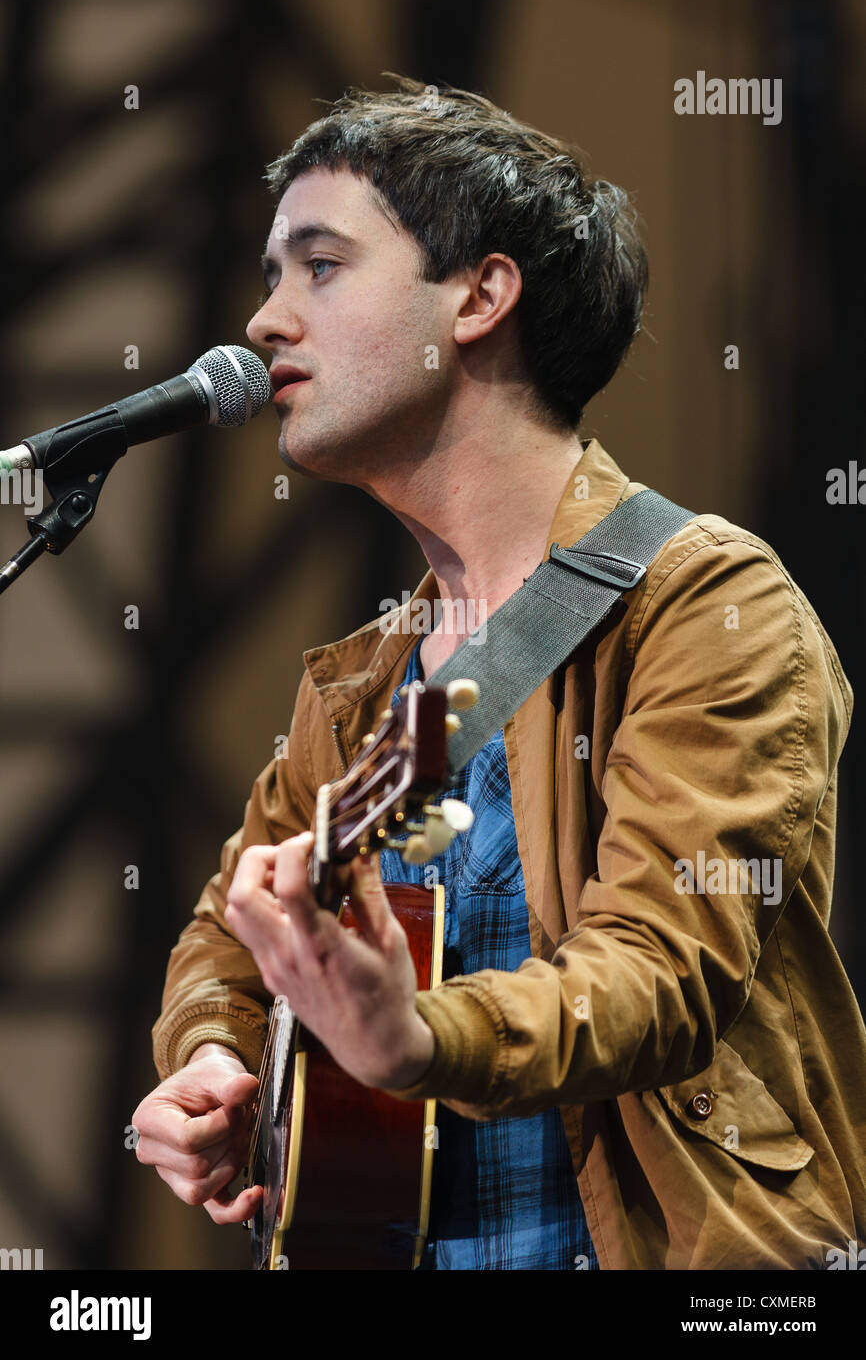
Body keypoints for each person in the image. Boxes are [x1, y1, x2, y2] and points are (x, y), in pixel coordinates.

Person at [132, 74, 866, 1270]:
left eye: (317, 266)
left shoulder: (703, 603)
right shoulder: (363, 682)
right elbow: (228, 923)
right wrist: (215, 1058)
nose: (263, 322)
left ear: (479, 295)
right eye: (271, 277)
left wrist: (414, 1038)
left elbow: (662, 974)